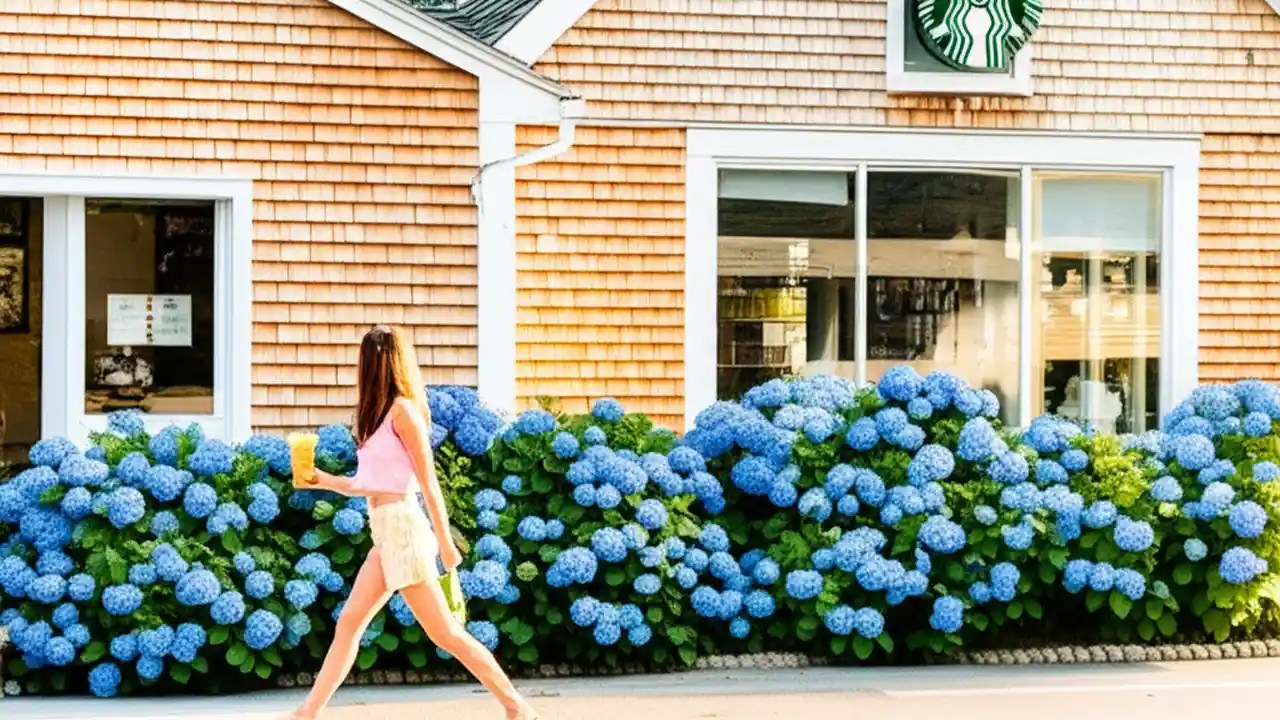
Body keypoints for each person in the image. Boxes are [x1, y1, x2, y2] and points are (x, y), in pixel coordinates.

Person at [286, 325, 538, 720]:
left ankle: (516, 707)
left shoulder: (404, 412)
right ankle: (308, 713)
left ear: (378, 363)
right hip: (383, 532)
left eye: (366, 358)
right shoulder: (373, 418)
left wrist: (445, 541)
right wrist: (324, 479)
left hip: (404, 531)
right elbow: (368, 484)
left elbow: (427, 482)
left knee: (446, 634)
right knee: (350, 623)